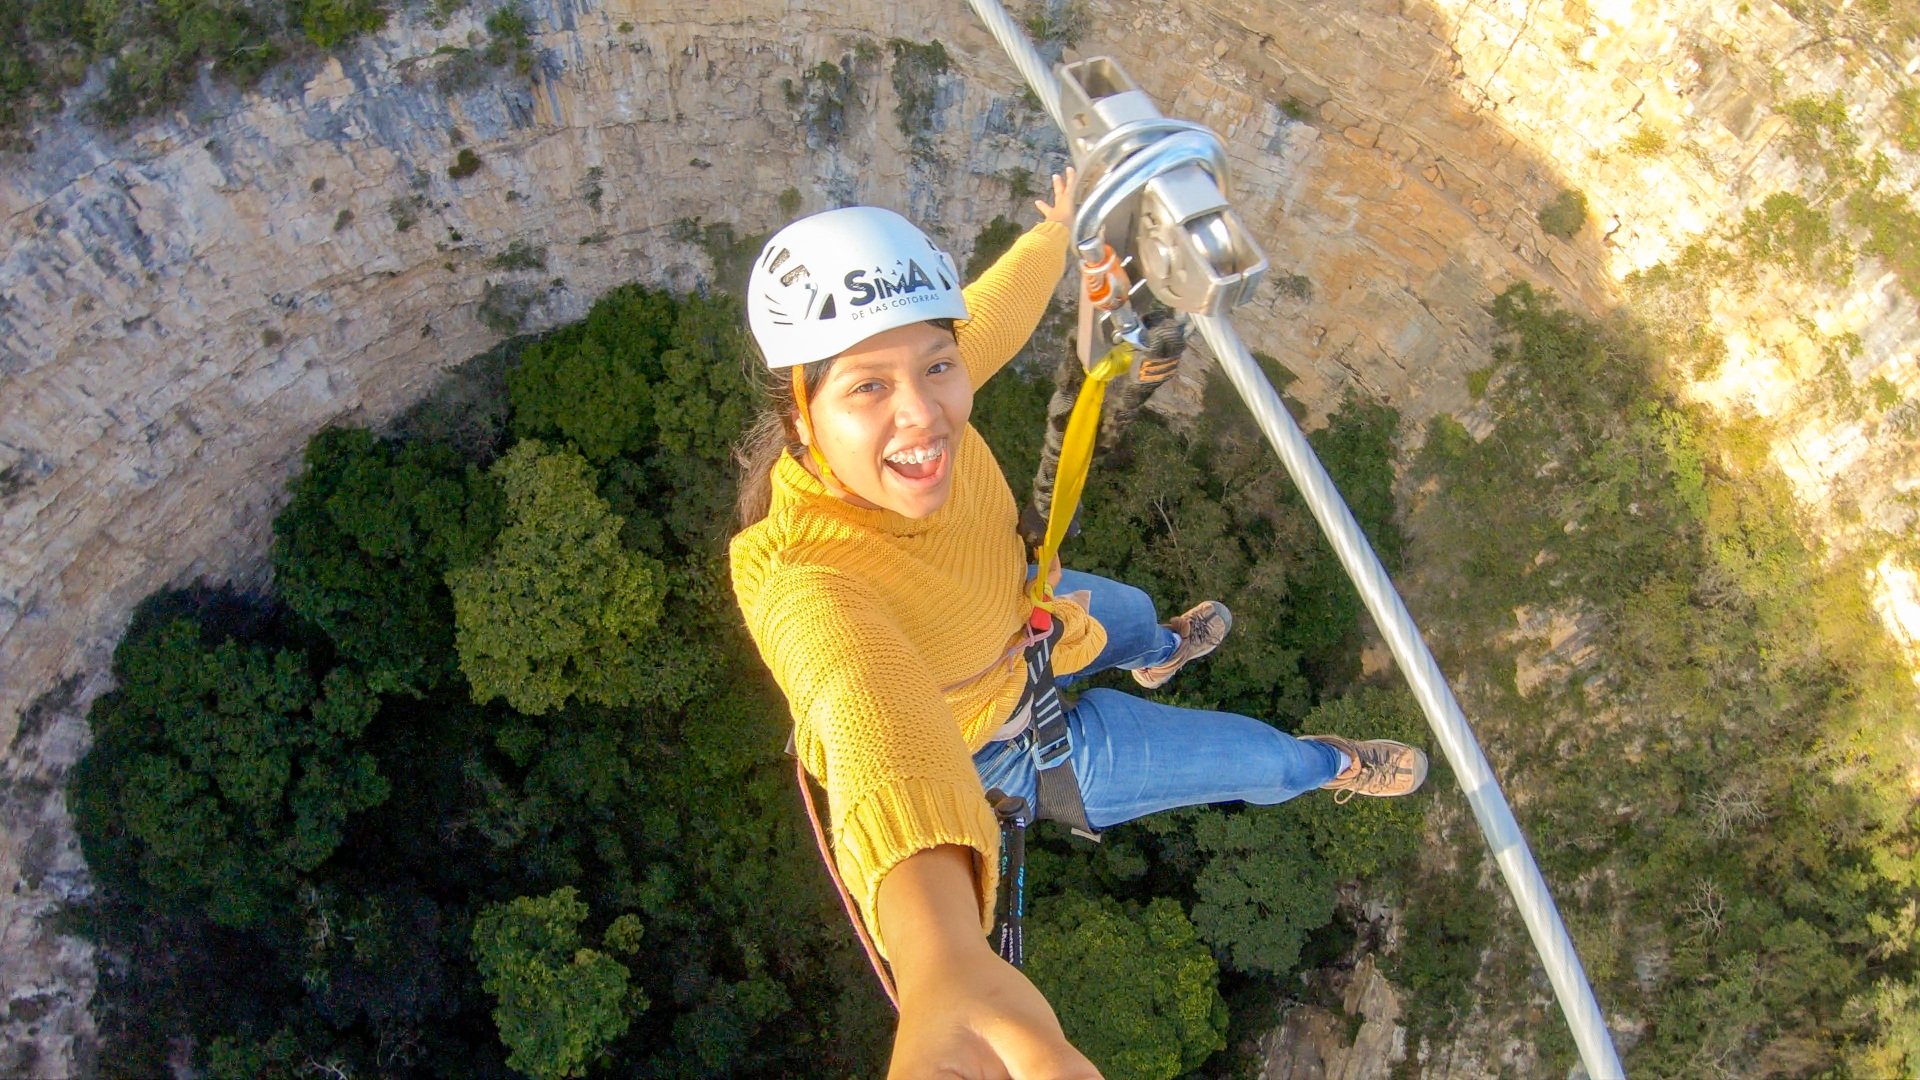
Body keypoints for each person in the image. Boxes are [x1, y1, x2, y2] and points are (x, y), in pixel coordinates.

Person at [728, 172, 1428, 1078]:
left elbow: (992, 312)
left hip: (1032, 615)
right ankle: (1329, 764)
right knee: (1260, 761)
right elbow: (862, 708)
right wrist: (942, 957)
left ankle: (1162, 652)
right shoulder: (802, 572)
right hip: (1004, 748)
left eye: (937, 367)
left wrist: (1057, 231)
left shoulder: (929, 381)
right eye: (867, 388)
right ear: (802, 409)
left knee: (1134, 619)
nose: (922, 415)